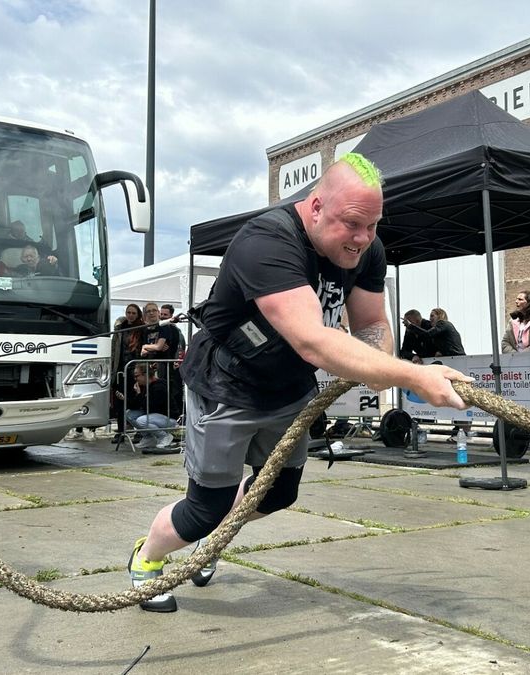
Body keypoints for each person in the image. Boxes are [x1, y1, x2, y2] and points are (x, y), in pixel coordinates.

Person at [126, 154, 468, 612]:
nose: (363, 238)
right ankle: (147, 557)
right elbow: (312, 340)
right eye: (352, 223)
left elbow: (371, 323)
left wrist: (376, 363)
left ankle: (209, 540)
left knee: (279, 492)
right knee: (205, 507)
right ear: (315, 207)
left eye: (372, 225)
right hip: (227, 386)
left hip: (290, 389)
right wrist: (414, 375)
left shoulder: (367, 247)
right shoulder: (266, 242)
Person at [123, 364, 180, 451]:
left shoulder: (159, 386)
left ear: (145, 375)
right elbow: (137, 405)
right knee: (129, 414)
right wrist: (128, 398)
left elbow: (150, 405)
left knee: (141, 420)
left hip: (168, 418)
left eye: (137, 376)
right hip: (154, 415)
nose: (135, 379)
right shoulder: (145, 386)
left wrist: (139, 395)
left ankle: (164, 436)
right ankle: (148, 437)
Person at [111, 304, 144, 444]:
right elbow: (114, 349)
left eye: (133, 313)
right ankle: (120, 431)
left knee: (136, 401)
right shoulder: (120, 329)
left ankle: (139, 431)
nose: (130, 315)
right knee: (119, 402)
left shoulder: (141, 329)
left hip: (134, 369)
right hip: (120, 369)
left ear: (137, 315)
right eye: (128, 312)